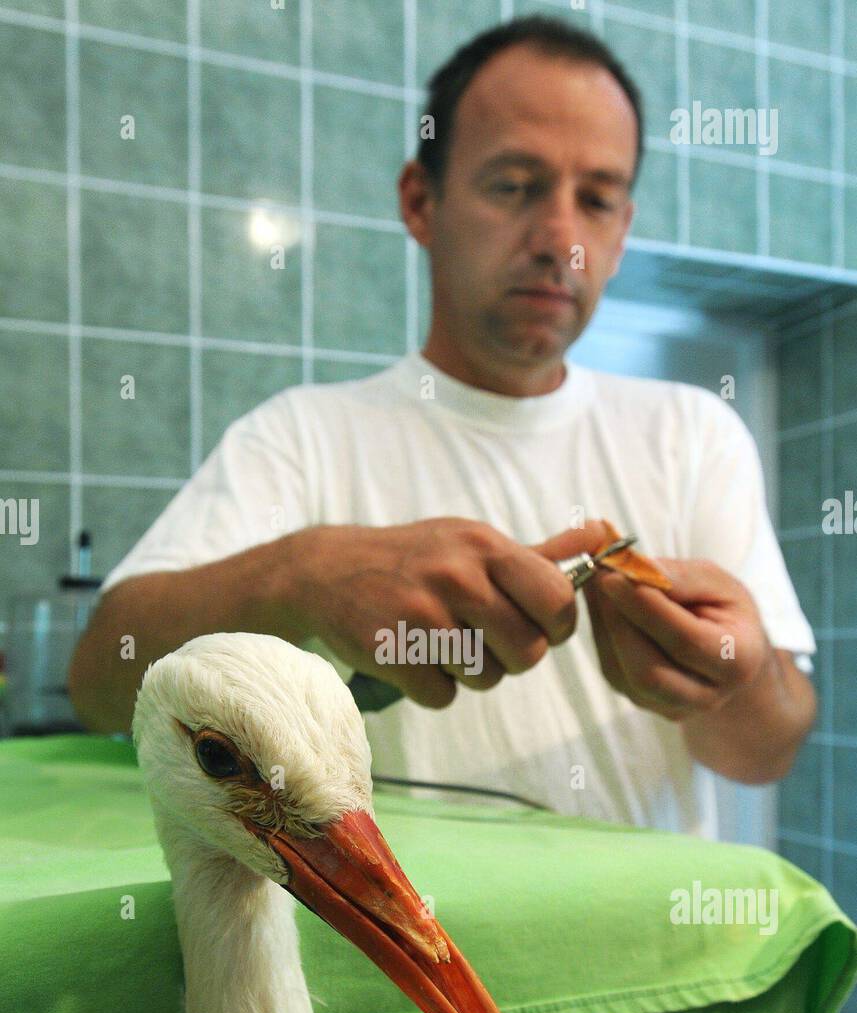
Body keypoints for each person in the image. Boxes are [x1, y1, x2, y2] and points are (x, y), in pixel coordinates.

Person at [69, 15, 816, 839]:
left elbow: (765, 755)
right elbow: (104, 679)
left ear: (621, 230)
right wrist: (304, 571)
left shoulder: (695, 435)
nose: (561, 241)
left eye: (595, 200)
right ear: (420, 202)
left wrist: (729, 676)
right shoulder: (299, 437)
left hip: (643, 956)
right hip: (371, 958)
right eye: (514, 185)